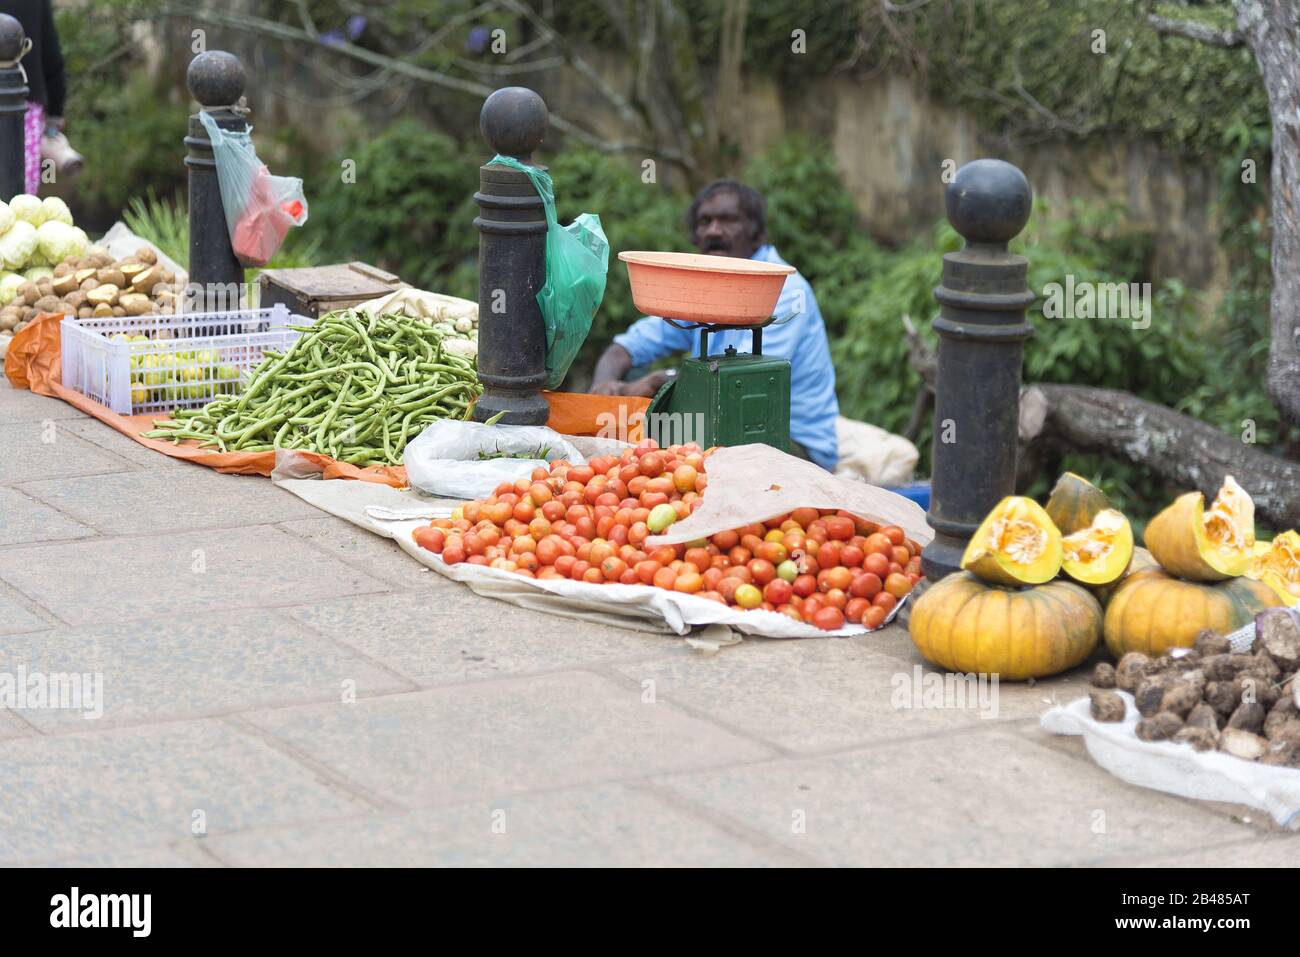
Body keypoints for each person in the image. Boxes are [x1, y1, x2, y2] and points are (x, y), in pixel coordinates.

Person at [591, 179, 839, 470]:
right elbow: (628, 346)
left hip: (788, 442)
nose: (714, 231)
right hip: (725, 425)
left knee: (655, 448)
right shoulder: (706, 283)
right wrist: (604, 387)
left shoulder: (783, 290)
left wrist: (656, 383)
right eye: (705, 221)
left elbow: (736, 385)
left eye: (728, 220)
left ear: (756, 234)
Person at [0, 0, 66, 194]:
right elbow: (51, 54)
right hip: (26, 106)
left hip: (24, 102)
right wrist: (55, 112)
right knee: (22, 201)